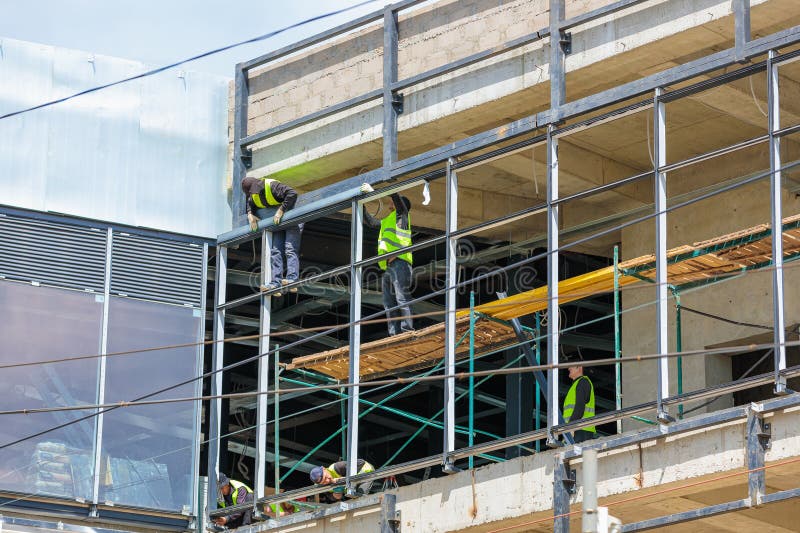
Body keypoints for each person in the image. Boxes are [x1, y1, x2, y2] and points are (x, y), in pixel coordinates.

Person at [360, 183, 414, 336]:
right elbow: (371, 222)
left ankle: (407, 330)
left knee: (402, 298)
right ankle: (394, 333)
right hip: (389, 267)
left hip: (401, 263)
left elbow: (396, 198)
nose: (391, 204)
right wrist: (362, 205)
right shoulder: (388, 220)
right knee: (389, 303)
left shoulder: (402, 216)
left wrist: (376, 192)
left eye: (394, 203)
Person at [241, 175, 301, 297]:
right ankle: (275, 283)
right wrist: (250, 214)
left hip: (292, 219)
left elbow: (292, 193)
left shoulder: (272, 186)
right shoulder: (252, 195)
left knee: (290, 248)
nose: (254, 194)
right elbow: (249, 203)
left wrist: (280, 211)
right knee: (275, 251)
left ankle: (292, 280)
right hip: (277, 222)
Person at [562, 355, 597, 443]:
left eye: (572, 365)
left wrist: (571, 426)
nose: (568, 368)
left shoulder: (582, 382)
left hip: (580, 429)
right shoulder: (577, 384)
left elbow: (579, 408)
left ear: (579, 368)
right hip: (578, 429)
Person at [309, 459, 375, 500]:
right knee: (351, 495)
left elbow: (361, 462)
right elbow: (330, 497)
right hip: (351, 484)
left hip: (365, 471)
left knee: (360, 495)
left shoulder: (338, 467)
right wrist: (335, 496)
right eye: (323, 482)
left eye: (326, 477)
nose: (327, 481)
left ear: (324, 468)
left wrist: (341, 481)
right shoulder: (321, 486)